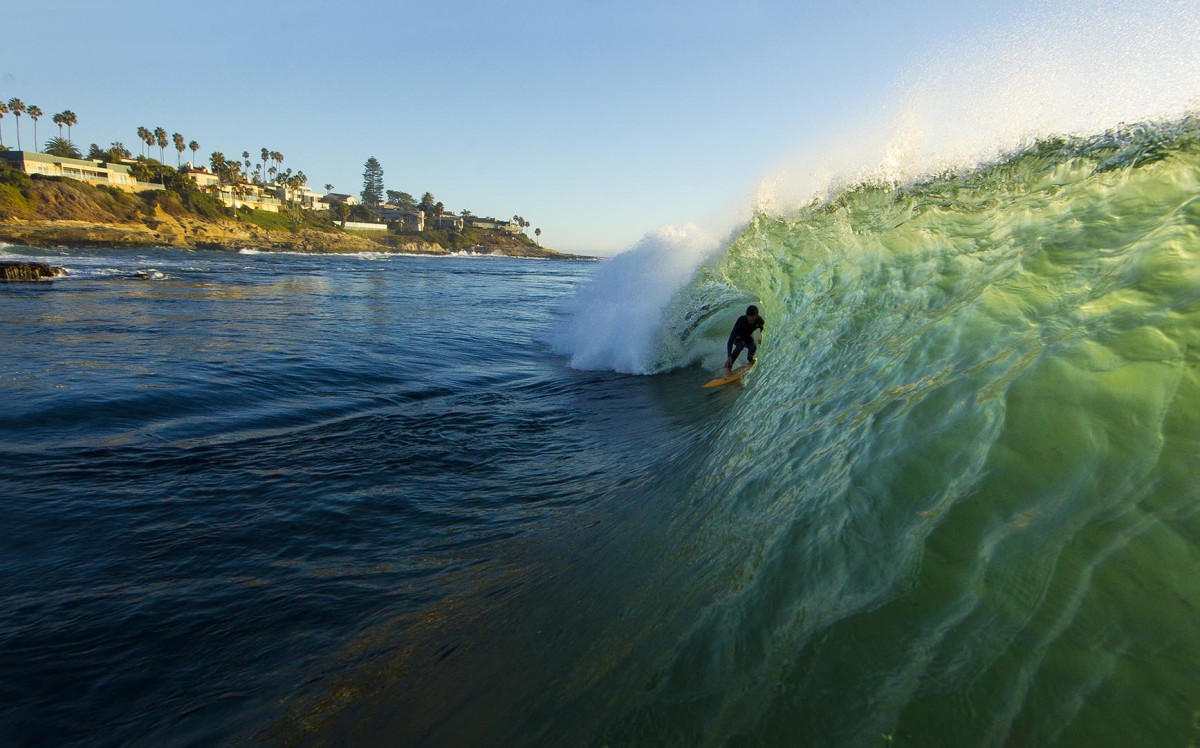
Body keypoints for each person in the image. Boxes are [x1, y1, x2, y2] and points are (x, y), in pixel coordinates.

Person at [725, 304, 765, 374]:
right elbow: (731, 339)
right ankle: (728, 367)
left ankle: (750, 362)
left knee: (753, 346)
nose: (750, 321)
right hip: (737, 338)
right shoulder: (741, 321)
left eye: (752, 319)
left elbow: (763, 329)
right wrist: (729, 356)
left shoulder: (759, 321)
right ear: (746, 316)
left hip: (747, 337)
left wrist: (762, 337)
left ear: (756, 316)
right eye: (749, 319)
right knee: (741, 345)